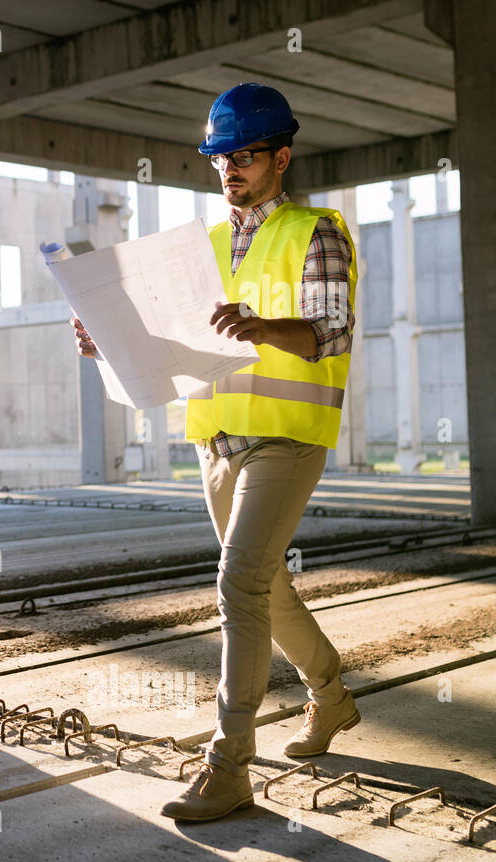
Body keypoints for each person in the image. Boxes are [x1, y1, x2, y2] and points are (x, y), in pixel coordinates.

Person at [70, 83, 361, 822]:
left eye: (245, 154)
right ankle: (331, 700)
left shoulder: (316, 230)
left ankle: (229, 766)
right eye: (220, 156)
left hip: (287, 437)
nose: (229, 166)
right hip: (217, 437)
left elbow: (330, 334)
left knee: (238, 585)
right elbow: (171, 344)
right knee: (269, 590)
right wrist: (110, 342)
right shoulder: (198, 248)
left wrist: (262, 325)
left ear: (280, 157)